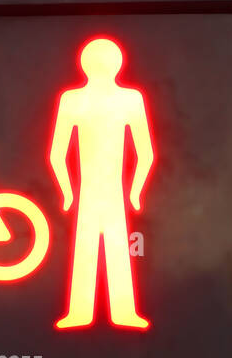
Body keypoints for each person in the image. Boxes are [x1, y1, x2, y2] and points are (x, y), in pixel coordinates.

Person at [49, 36, 154, 328]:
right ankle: (111, 313)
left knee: (92, 248)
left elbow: (57, 155)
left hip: (97, 190)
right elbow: (146, 154)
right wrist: (135, 191)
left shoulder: (76, 100)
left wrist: (67, 191)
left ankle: (93, 312)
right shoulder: (127, 99)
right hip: (104, 190)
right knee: (109, 248)